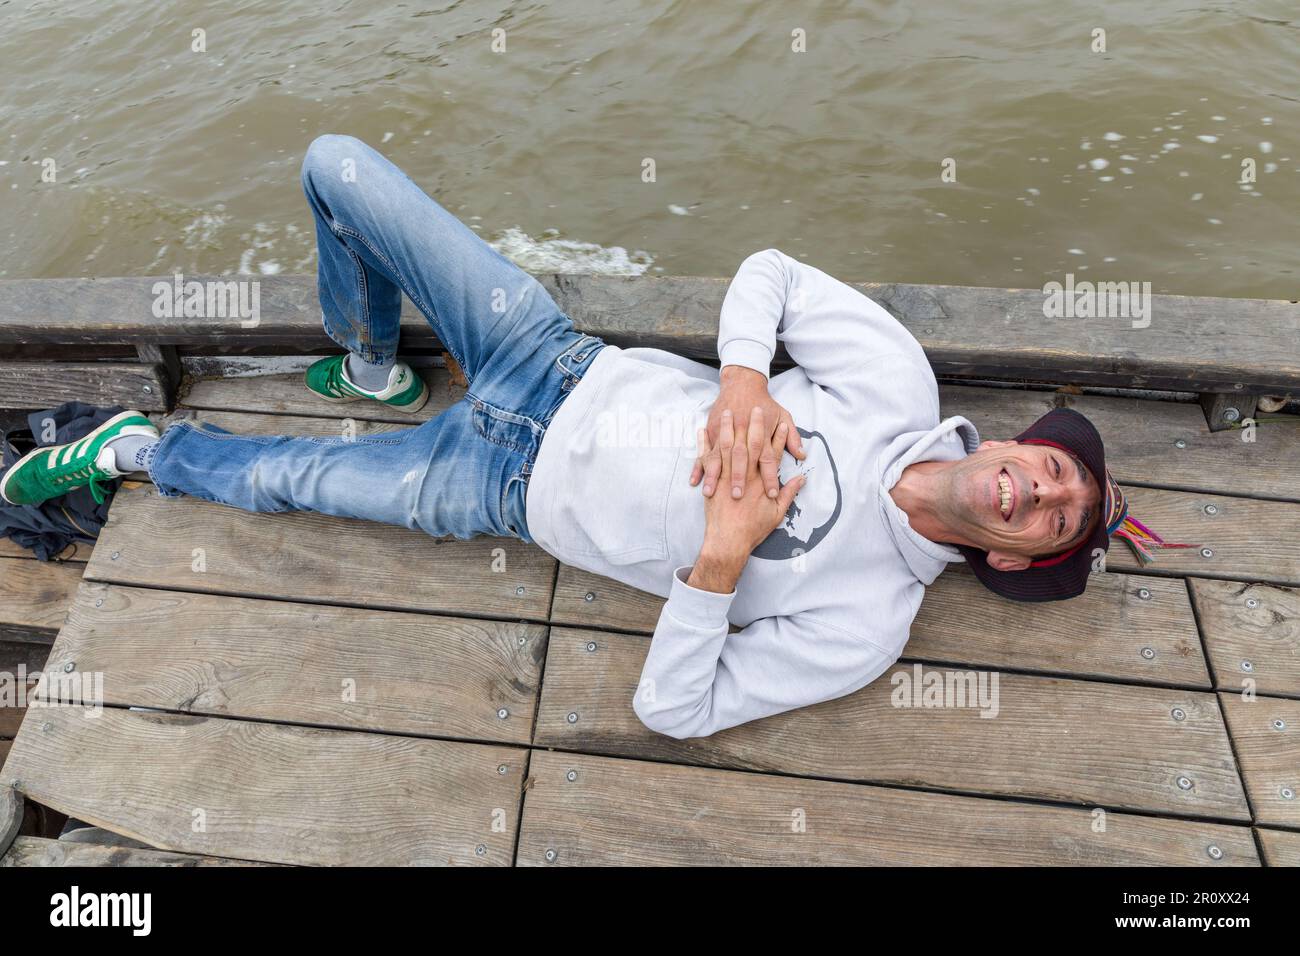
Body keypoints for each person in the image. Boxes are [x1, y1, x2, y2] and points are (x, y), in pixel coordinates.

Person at [0, 135, 1173, 740]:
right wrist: (746, 381)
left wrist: (719, 558)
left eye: (1055, 518)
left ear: (1012, 557)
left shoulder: (864, 626)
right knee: (335, 166)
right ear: (1024, 444)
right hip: (551, 358)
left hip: (496, 487)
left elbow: (677, 708)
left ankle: (134, 450)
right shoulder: (895, 380)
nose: (1039, 490)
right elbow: (768, 269)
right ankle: (364, 357)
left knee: (282, 478)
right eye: (1057, 467)